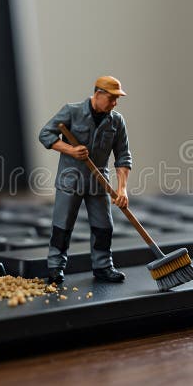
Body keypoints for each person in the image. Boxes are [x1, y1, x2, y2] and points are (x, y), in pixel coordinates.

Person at [38, 76, 132, 284]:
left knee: (104, 227)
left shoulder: (116, 121)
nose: (115, 103)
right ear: (98, 94)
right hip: (70, 181)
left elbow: (123, 156)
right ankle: (55, 267)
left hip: (99, 183)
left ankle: (103, 267)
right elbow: (46, 135)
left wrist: (122, 189)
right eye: (112, 98)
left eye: (117, 99)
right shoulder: (72, 111)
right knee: (62, 226)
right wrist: (70, 150)